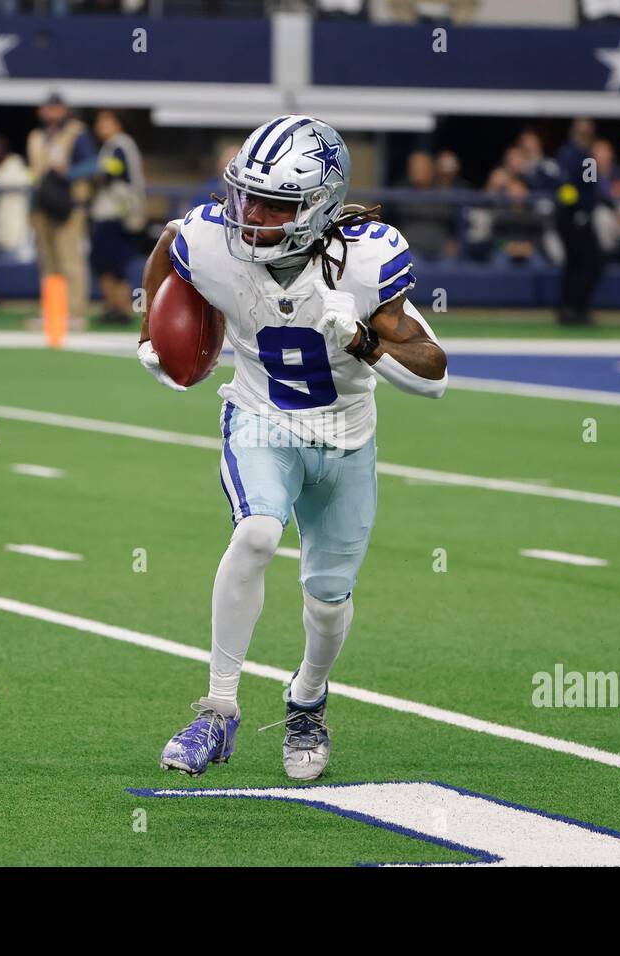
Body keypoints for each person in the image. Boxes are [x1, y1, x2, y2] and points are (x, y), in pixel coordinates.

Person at [137, 116, 448, 781]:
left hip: (346, 437)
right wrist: (149, 333)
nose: (250, 216)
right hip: (260, 418)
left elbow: (436, 372)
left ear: (319, 204)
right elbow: (170, 245)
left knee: (328, 602)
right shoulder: (213, 239)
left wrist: (364, 340)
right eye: (245, 196)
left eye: (273, 204)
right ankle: (217, 710)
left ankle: (307, 699)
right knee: (254, 534)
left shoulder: (362, 263)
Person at [27, 94, 98, 328]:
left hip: (68, 203)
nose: (51, 112)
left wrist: (67, 172)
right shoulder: (37, 136)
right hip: (42, 205)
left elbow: (93, 164)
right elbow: (35, 174)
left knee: (70, 259)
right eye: (48, 107)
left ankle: (75, 312)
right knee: (48, 261)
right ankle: (52, 310)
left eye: (56, 107)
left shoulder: (77, 133)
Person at [89, 110, 145, 326]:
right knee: (107, 264)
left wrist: (89, 174)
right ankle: (112, 306)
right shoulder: (114, 145)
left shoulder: (120, 144)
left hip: (116, 214)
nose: (100, 125)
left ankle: (120, 307)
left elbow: (111, 174)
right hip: (113, 214)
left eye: (106, 121)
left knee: (114, 264)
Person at [552, 118, 603, 326]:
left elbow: (589, 187)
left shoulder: (575, 154)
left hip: (574, 216)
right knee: (588, 262)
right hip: (574, 217)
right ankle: (572, 308)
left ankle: (572, 308)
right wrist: (577, 211)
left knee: (577, 263)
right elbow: (566, 187)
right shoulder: (575, 154)